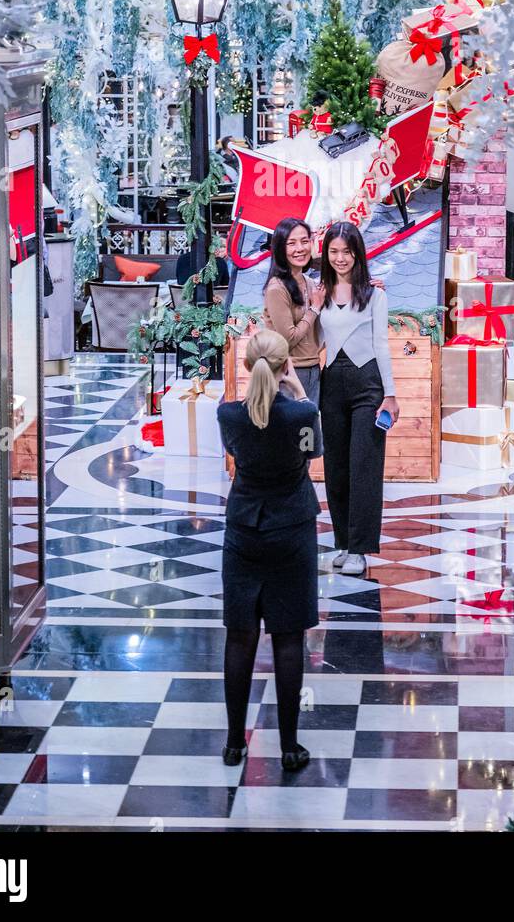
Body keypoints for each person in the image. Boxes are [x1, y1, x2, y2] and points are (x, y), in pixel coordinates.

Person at [216, 329, 319, 773]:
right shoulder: (302, 414)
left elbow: (238, 448)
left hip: (244, 531)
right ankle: (290, 745)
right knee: (288, 637)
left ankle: (234, 743)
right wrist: (297, 391)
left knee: (240, 636)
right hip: (292, 529)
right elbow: (312, 454)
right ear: (284, 366)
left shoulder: (228, 416)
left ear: (247, 367)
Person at [317, 221, 399, 576]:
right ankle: (342, 542)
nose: (340, 258)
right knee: (335, 466)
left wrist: (391, 395)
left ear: (357, 253)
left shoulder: (374, 294)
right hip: (331, 382)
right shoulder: (317, 293)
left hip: (368, 385)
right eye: (333, 252)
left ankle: (360, 548)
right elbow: (314, 338)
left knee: (364, 466)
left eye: (346, 252)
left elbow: (381, 345)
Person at [262, 217, 324, 459]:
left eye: (304, 241)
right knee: (287, 448)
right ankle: (284, 496)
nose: (300, 248)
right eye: (291, 243)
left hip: (312, 372)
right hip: (287, 376)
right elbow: (288, 338)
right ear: (280, 248)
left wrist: (371, 287)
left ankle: (301, 493)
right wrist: (314, 310)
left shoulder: (309, 283)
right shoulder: (277, 288)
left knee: (306, 445)